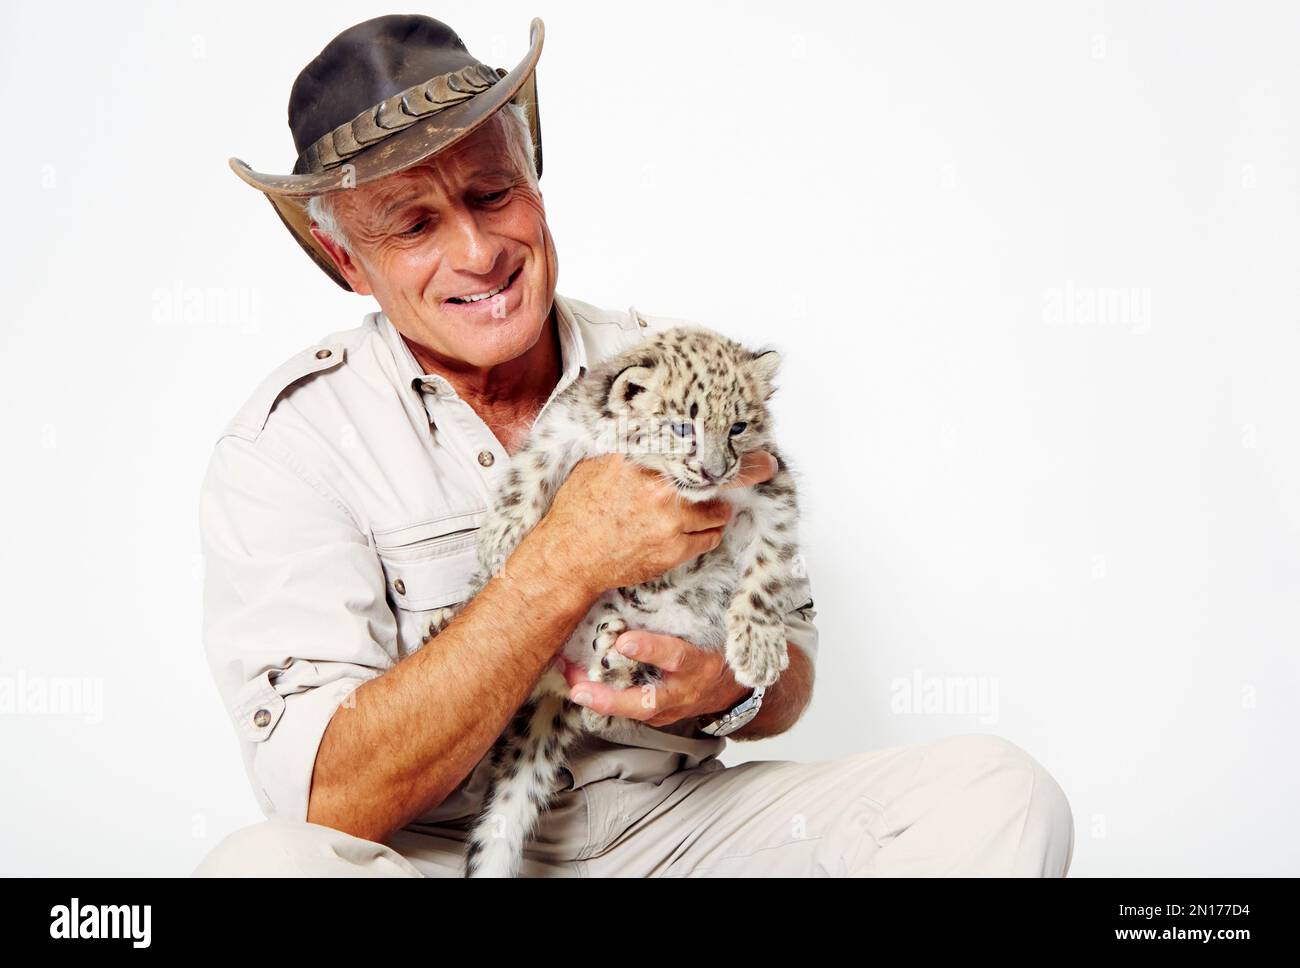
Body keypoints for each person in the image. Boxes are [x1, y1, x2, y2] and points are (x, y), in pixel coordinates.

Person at [196, 14, 1073, 876]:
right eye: (414, 225)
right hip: (447, 857)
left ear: (533, 176)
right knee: (261, 869)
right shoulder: (290, 446)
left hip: (684, 832)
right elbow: (329, 802)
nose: (476, 251)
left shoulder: (681, 363)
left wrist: (727, 686)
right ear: (346, 258)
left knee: (998, 794)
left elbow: (790, 664)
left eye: (492, 193)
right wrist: (562, 562)